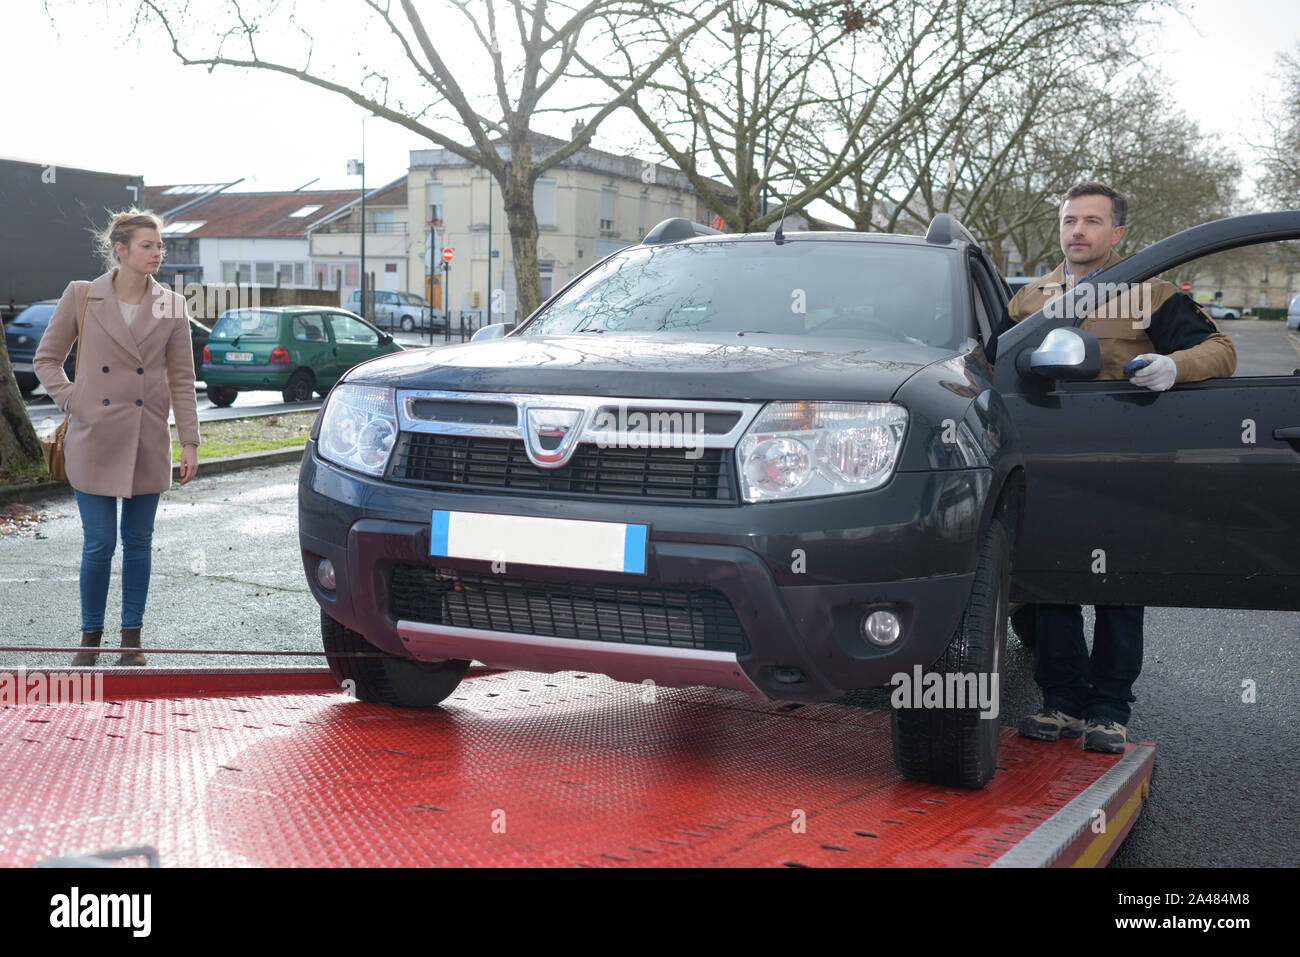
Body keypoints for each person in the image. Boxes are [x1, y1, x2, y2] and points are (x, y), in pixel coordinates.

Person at [1005, 182, 1236, 753]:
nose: (1077, 231)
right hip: (1048, 459)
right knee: (1052, 584)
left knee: (1117, 587)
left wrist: (1173, 366)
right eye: (1069, 220)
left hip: (1123, 462)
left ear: (1118, 233)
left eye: (1091, 221)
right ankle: (1060, 702)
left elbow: (1223, 350)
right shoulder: (1029, 299)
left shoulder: (1149, 294)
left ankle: (1109, 710)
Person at [34, 210, 201, 667]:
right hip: (93, 437)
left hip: (147, 438)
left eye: (160, 245)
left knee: (140, 542)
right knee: (99, 543)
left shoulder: (171, 303)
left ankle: (132, 639)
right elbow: (47, 359)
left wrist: (190, 442)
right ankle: (90, 638)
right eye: (148, 245)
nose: (157, 253)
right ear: (120, 250)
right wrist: (75, 399)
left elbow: (183, 380)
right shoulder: (82, 295)